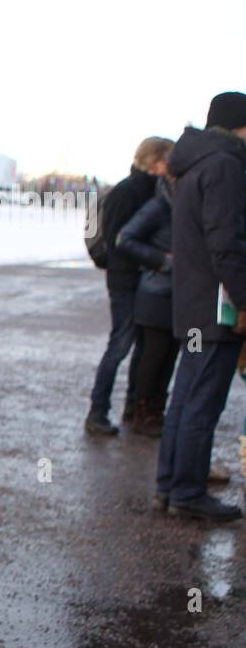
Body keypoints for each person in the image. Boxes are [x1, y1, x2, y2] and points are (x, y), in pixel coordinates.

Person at [155, 92, 246, 521]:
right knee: (203, 401)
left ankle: (169, 485)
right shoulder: (226, 165)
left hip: (191, 305)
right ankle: (188, 492)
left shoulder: (190, 166)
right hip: (217, 307)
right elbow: (226, 243)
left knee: (185, 396)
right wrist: (244, 300)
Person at [84, 136, 174, 435]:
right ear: (155, 162)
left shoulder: (145, 189)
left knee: (138, 346)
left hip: (133, 277)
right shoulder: (129, 191)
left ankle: (133, 409)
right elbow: (118, 241)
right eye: (168, 160)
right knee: (120, 345)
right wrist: (158, 260)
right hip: (126, 279)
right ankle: (98, 412)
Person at [115, 174, 177, 437]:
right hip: (154, 291)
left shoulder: (182, 206)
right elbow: (125, 239)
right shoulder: (159, 206)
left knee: (169, 354)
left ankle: (155, 410)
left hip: (177, 293)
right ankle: (142, 412)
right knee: (153, 354)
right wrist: (163, 261)